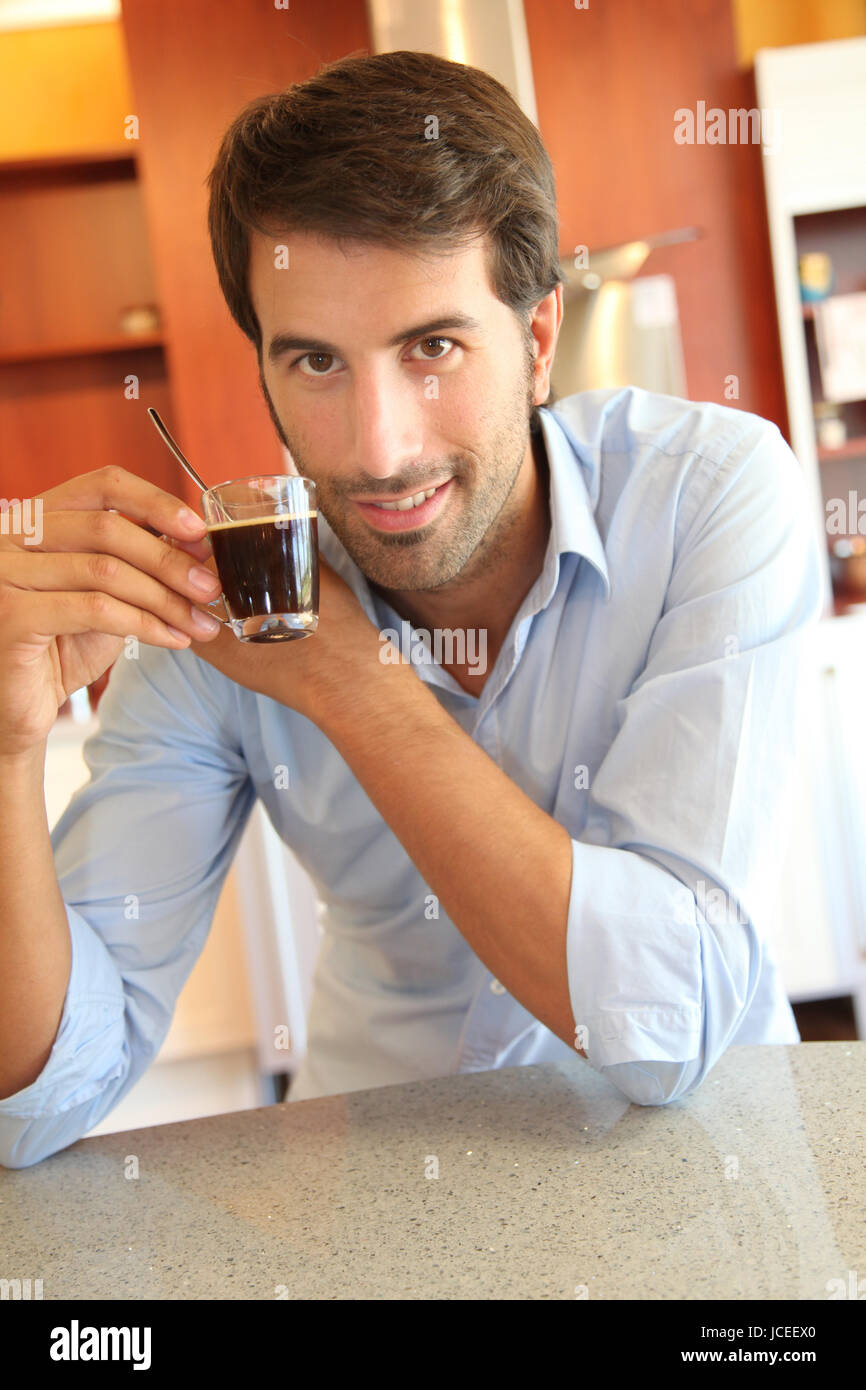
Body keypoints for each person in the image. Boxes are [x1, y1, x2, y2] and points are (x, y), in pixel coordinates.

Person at [0, 51, 823, 1168]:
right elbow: (37, 1104)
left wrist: (346, 678)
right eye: (315, 361)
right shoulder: (222, 606)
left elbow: (663, 1025)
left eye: (430, 347)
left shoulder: (710, 494)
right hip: (386, 1184)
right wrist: (6, 749)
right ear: (263, 369)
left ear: (536, 343)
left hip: (710, 1166)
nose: (377, 449)